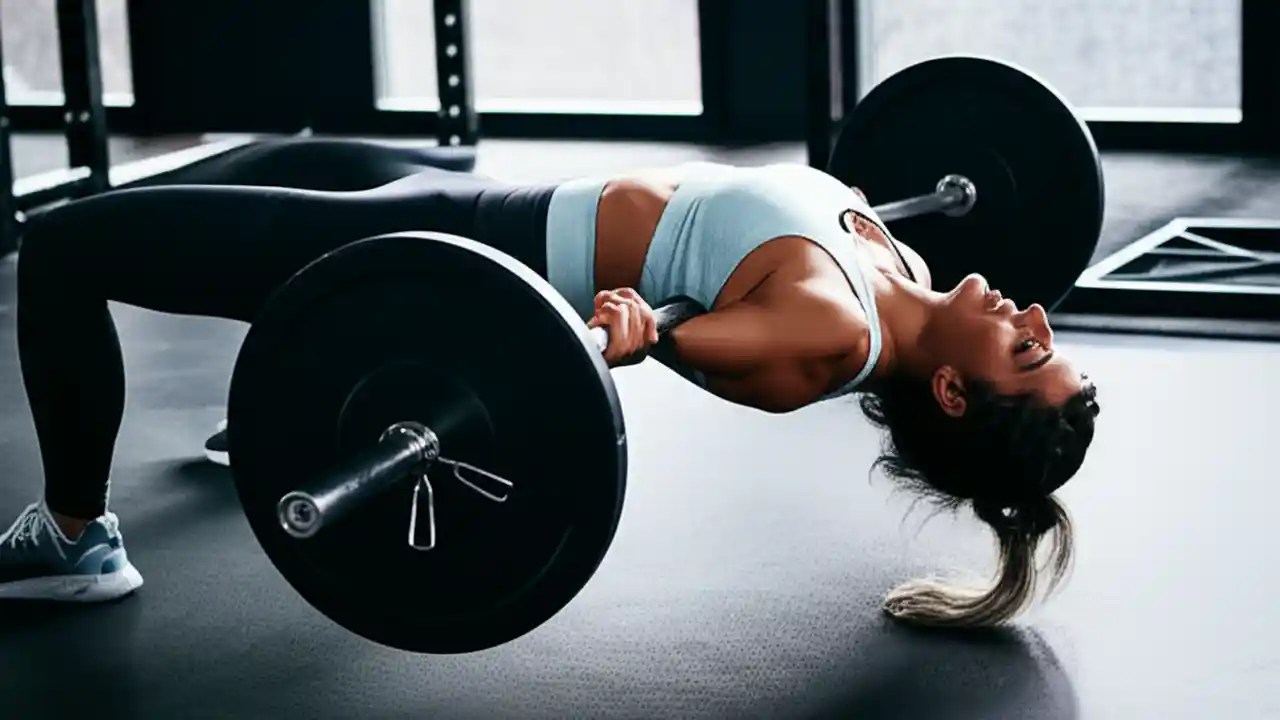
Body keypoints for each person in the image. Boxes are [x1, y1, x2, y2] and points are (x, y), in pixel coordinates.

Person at [0, 137, 1098, 626]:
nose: (1035, 318)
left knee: (61, 250)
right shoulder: (899, 270)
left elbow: (670, 346)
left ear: (951, 395)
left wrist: (641, 333)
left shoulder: (824, 328)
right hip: (490, 199)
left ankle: (76, 536)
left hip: (453, 258)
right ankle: (300, 388)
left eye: (1028, 353)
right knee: (286, 161)